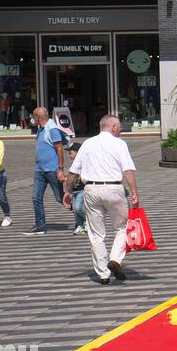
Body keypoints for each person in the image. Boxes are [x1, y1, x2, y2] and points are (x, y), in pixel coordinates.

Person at [64, 115, 139, 284]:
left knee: (96, 234)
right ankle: (115, 259)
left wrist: (68, 191)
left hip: (91, 189)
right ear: (112, 127)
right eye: (119, 127)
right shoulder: (119, 144)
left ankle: (103, 273)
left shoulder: (88, 143)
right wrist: (134, 192)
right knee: (122, 227)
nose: (121, 130)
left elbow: (73, 171)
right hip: (114, 188)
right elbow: (127, 170)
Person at [26, 106, 66, 235]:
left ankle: (82, 218)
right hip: (39, 170)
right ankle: (40, 225)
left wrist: (60, 169)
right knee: (36, 197)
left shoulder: (52, 129)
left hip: (52, 170)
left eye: (34, 116)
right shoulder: (40, 129)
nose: (32, 118)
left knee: (61, 198)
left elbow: (59, 149)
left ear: (38, 117)